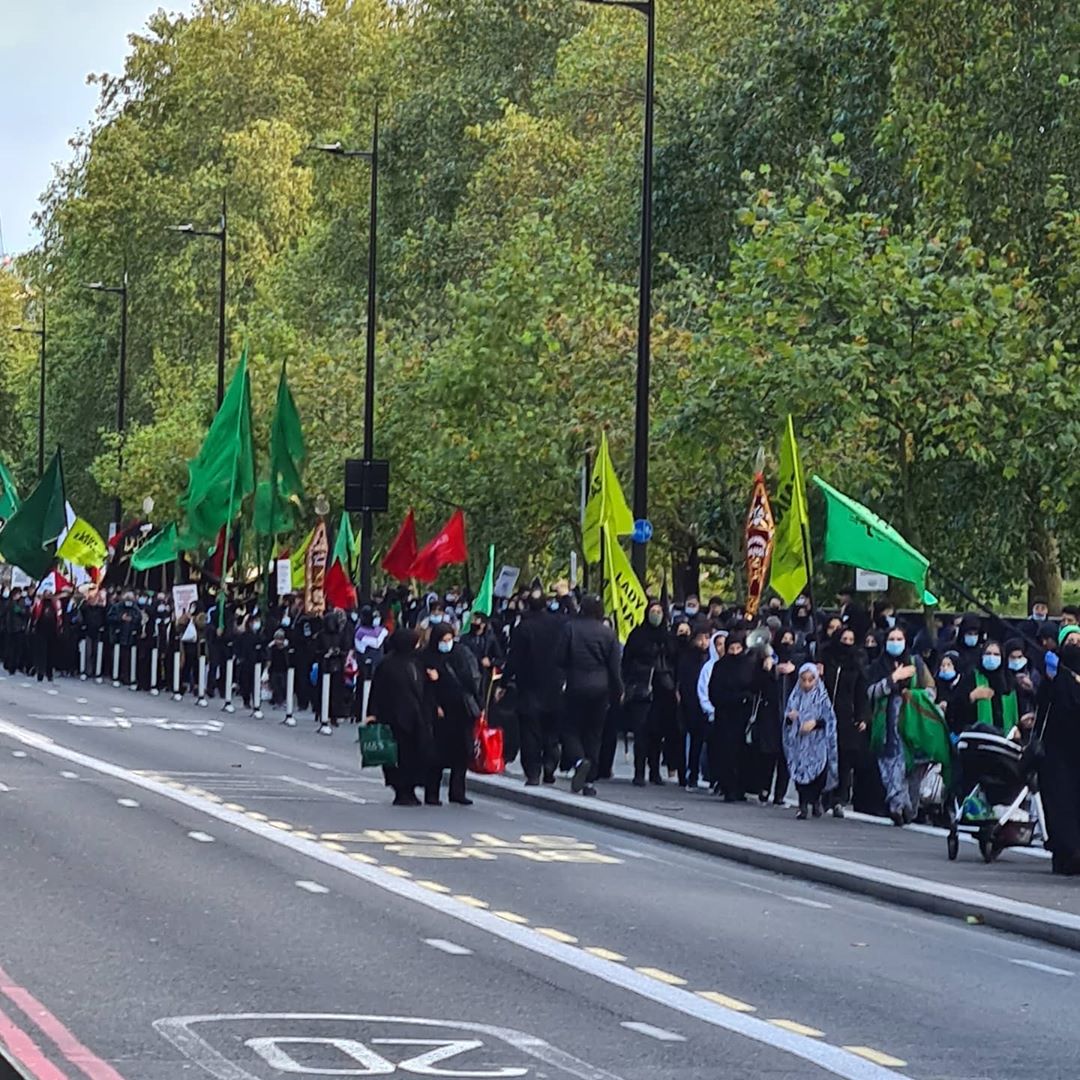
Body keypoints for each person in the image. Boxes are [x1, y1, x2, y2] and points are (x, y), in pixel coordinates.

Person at [867, 626, 935, 825]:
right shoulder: (878, 665)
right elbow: (870, 692)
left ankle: (909, 808)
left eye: (899, 639)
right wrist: (892, 680)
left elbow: (930, 690)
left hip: (913, 723)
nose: (895, 643)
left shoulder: (917, 664)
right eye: (891, 638)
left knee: (913, 768)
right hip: (887, 724)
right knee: (891, 766)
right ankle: (896, 805)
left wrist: (913, 696)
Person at [558, 595, 622, 795]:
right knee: (594, 733)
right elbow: (614, 667)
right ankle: (589, 780)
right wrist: (618, 690)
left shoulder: (570, 628)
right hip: (600, 688)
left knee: (569, 728)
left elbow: (560, 657)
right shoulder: (608, 633)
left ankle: (579, 761)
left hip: (576, 684)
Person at [366, 629, 434, 807]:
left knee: (416, 754)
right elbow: (377, 690)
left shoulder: (418, 662)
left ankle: (411, 789)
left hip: (417, 718)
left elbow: (425, 689)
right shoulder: (386, 664)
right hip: (393, 718)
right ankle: (400, 790)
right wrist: (371, 714)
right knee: (395, 756)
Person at [507, 591, 565, 786]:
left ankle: (533, 771)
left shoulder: (523, 628)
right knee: (551, 730)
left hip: (529, 685)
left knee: (530, 732)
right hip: (554, 684)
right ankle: (550, 765)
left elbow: (514, 658)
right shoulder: (558, 624)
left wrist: (505, 680)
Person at [708, 630, 771, 800]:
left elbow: (758, 686)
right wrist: (736, 699)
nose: (735, 652)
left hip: (744, 717)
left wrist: (765, 669)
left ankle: (742, 787)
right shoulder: (720, 667)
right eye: (732, 649)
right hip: (726, 717)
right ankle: (728, 788)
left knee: (744, 754)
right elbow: (714, 693)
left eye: (738, 648)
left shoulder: (748, 665)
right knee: (727, 753)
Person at [423, 623, 481, 806]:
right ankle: (432, 793)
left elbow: (472, 679)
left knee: (462, 753)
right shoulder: (428, 656)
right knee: (437, 755)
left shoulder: (461, 653)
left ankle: (457, 792)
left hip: (462, 710)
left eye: (449, 639)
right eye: (443, 640)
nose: (446, 644)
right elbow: (425, 687)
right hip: (440, 713)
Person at [622, 602, 678, 786]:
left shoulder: (667, 637)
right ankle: (639, 772)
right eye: (653, 611)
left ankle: (655, 771)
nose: (656, 615)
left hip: (663, 691)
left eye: (659, 612)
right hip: (642, 689)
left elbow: (675, 659)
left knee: (657, 733)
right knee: (641, 732)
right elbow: (627, 661)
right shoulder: (638, 635)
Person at [1039, 624, 1080, 874]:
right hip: (1057, 750)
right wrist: (1051, 679)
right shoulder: (1055, 674)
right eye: (1070, 640)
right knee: (1060, 801)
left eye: (1079, 639)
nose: (1075, 644)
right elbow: (1045, 703)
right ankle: (1067, 851)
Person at [822, 626, 869, 818]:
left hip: (846, 717)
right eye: (844, 639)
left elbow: (861, 692)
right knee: (824, 757)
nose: (848, 643)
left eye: (851, 640)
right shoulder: (825, 659)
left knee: (844, 759)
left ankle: (839, 798)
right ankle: (823, 795)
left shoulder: (856, 665)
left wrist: (862, 716)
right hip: (825, 715)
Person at [783, 663, 839, 819]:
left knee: (818, 775)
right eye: (804, 680)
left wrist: (815, 723)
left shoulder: (822, 697)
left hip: (817, 742)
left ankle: (816, 801)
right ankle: (802, 805)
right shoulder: (795, 697)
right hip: (800, 744)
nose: (807, 684)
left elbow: (829, 718)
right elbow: (786, 719)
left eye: (810, 680)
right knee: (800, 775)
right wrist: (791, 718)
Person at [951, 641, 1019, 736]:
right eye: (988, 653)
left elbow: (1016, 714)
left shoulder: (1009, 681)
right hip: (976, 738)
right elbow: (953, 710)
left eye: (996, 654)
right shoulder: (971, 677)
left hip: (1005, 740)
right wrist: (972, 697)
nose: (992, 657)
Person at [678, 626, 711, 790]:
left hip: (707, 704)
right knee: (692, 740)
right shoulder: (688, 658)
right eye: (701, 638)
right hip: (691, 703)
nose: (704, 642)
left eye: (707, 638)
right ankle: (690, 774)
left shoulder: (711, 658)